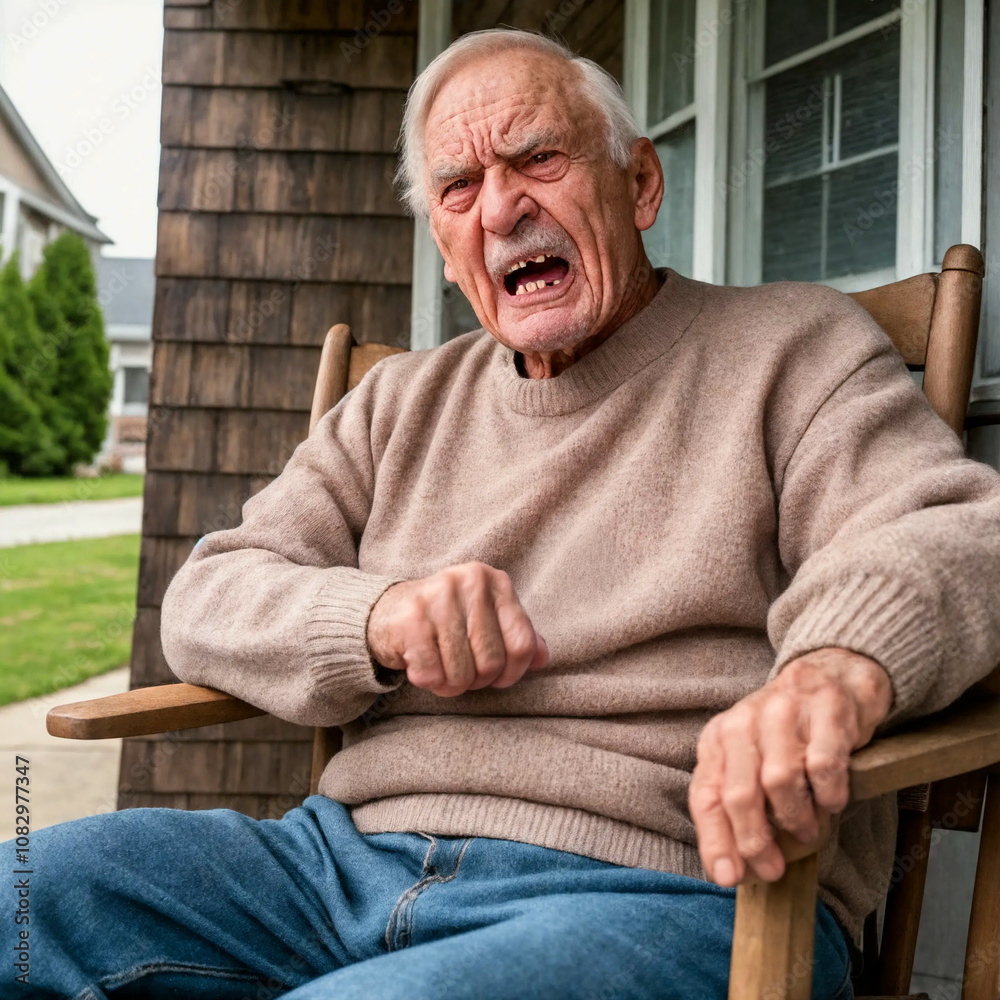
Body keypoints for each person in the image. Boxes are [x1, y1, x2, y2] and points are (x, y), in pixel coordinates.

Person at [6, 28, 1000, 1000]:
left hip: (665, 887)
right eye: (459, 187)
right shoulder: (399, 404)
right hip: (336, 870)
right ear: (444, 247)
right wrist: (374, 617)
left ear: (640, 184)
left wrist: (835, 671)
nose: (501, 207)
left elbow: (952, 532)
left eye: (539, 158)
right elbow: (208, 597)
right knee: (22, 898)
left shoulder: (795, 351)